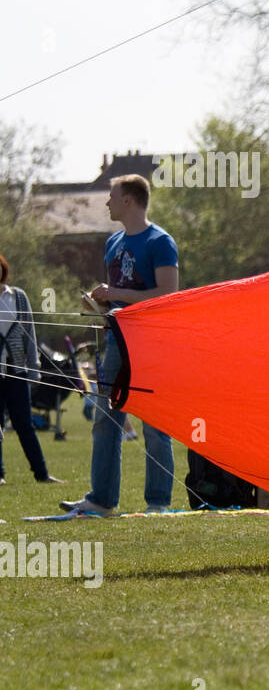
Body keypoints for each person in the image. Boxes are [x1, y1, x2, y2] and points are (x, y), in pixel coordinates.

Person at [60, 174, 178, 516]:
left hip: (151, 344)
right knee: (105, 418)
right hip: (116, 341)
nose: (107, 202)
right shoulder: (113, 242)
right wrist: (101, 307)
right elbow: (119, 299)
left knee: (155, 424)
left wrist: (115, 294)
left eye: (112, 197)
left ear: (129, 200)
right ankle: (102, 500)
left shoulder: (160, 241)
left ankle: (158, 503)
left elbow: (168, 294)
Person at [0, 254, 64, 485]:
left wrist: (34, 368)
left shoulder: (17, 296)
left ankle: (42, 473)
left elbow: (29, 332)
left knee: (24, 424)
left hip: (17, 370)